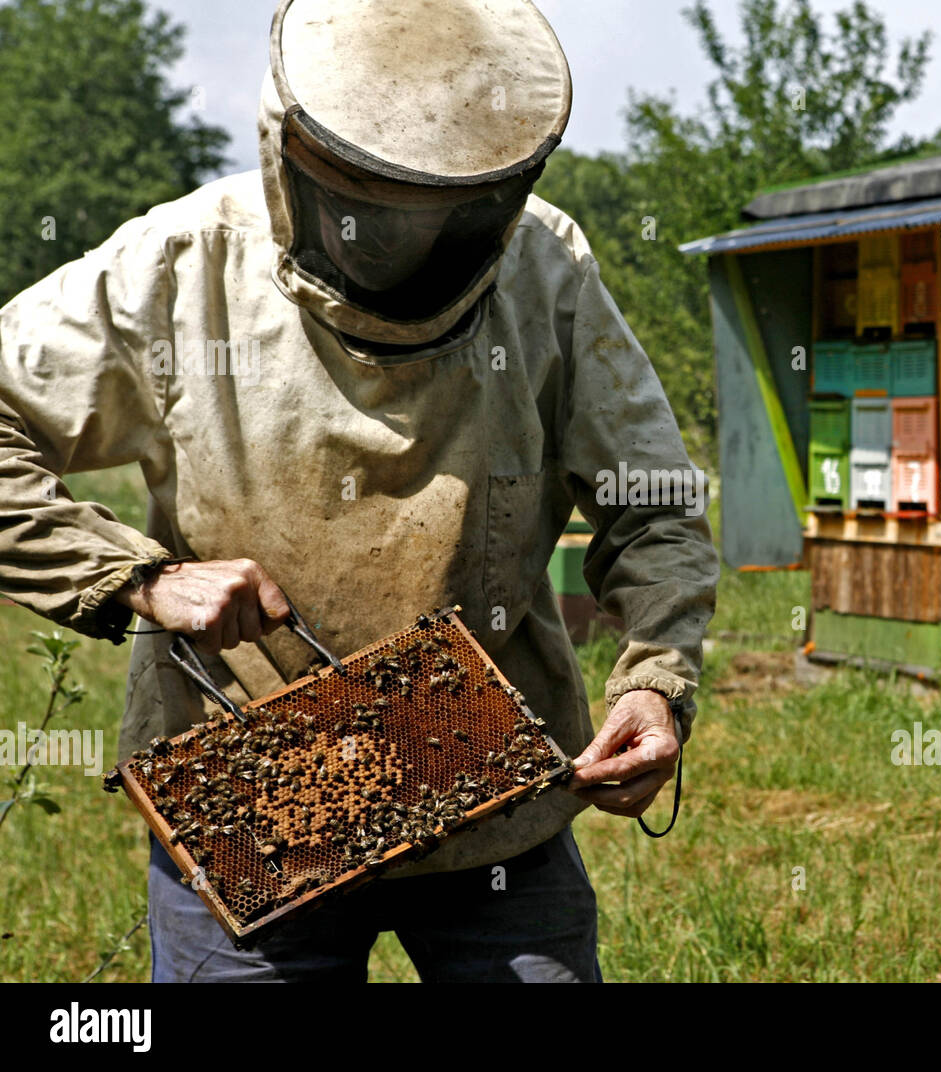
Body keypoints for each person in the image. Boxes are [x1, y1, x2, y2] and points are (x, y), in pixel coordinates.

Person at [0, 0, 718, 982]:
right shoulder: (181, 265)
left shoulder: (545, 266)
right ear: (292, 153)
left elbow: (652, 500)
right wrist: (138, 575)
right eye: (373, 216)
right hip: (246, 798)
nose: (402, 249)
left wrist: (655, 681)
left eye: (437, 223)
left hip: (488, 804)